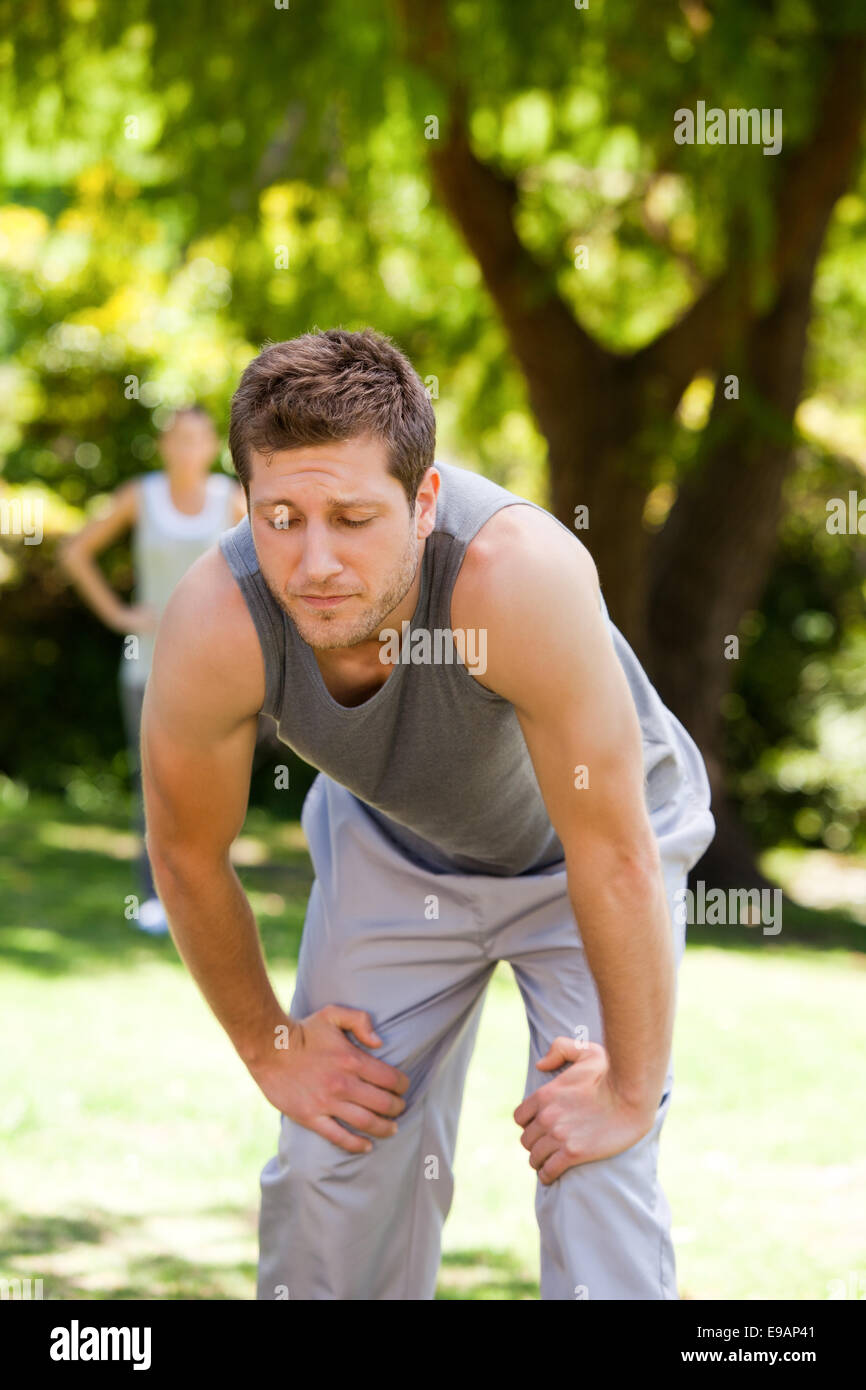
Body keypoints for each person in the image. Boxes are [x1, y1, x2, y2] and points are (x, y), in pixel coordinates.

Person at [141, 328, 716, 1300]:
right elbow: (187, 853)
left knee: (594, 1164)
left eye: (353, 517)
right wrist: (270, 1046)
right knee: (334, 1158)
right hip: (391, 852)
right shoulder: (218, 619)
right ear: (244, 505)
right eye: (280, 516)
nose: (313, 561)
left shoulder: (514, 576)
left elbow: (611, 850)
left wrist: (626, 1090)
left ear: (423, 501)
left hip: (586, 858)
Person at [58, 406, 246, 933]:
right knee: (154, 783)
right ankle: (154, 897)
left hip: (211, 666)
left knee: (212, 783)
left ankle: (211, 896)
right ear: (164, 446)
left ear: (212, 448)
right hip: (147, 662)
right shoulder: (141, 496)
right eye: (178, 439)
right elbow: (76, 552)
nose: (188, 448)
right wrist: (119, 614)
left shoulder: (230, 499)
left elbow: (272, 561)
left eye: (198, 439)